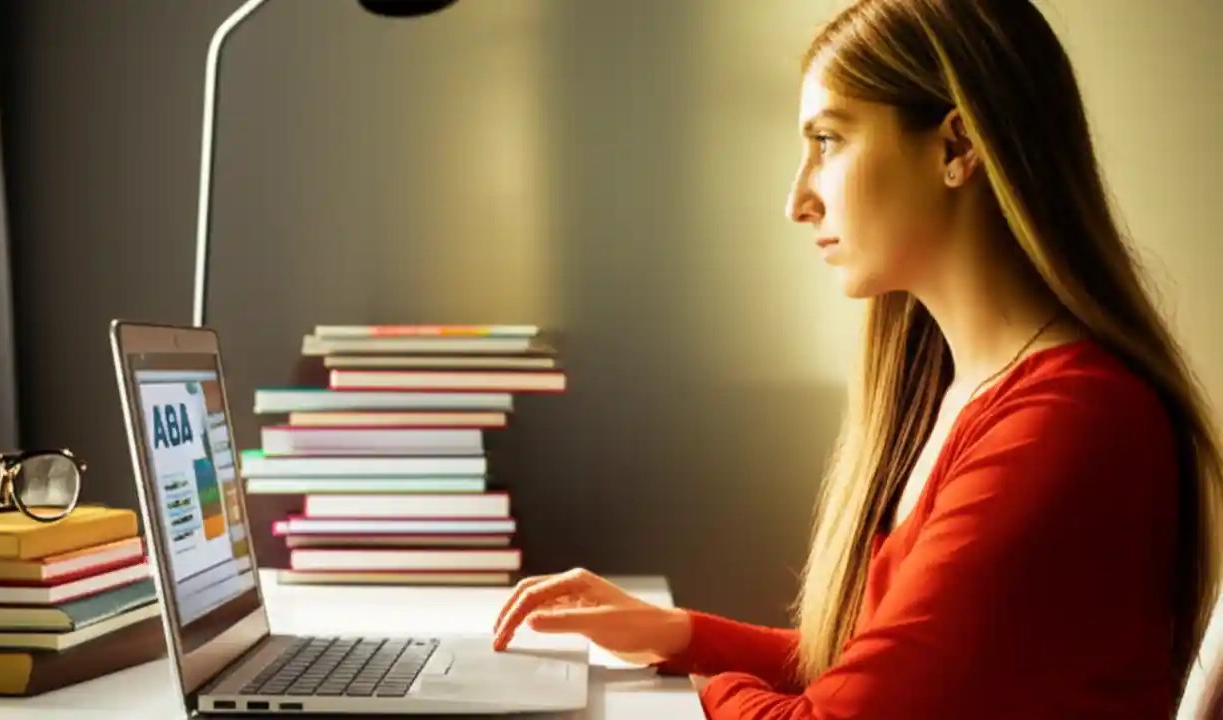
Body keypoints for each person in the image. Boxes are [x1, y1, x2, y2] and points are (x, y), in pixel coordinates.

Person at [490, 0, 1223, 718]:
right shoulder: (956, 392)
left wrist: (693, 693)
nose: (797, 200)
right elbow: (882, 674)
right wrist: (677, 636)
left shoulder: (1066, 424)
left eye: (829, 140)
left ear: (955, 149)